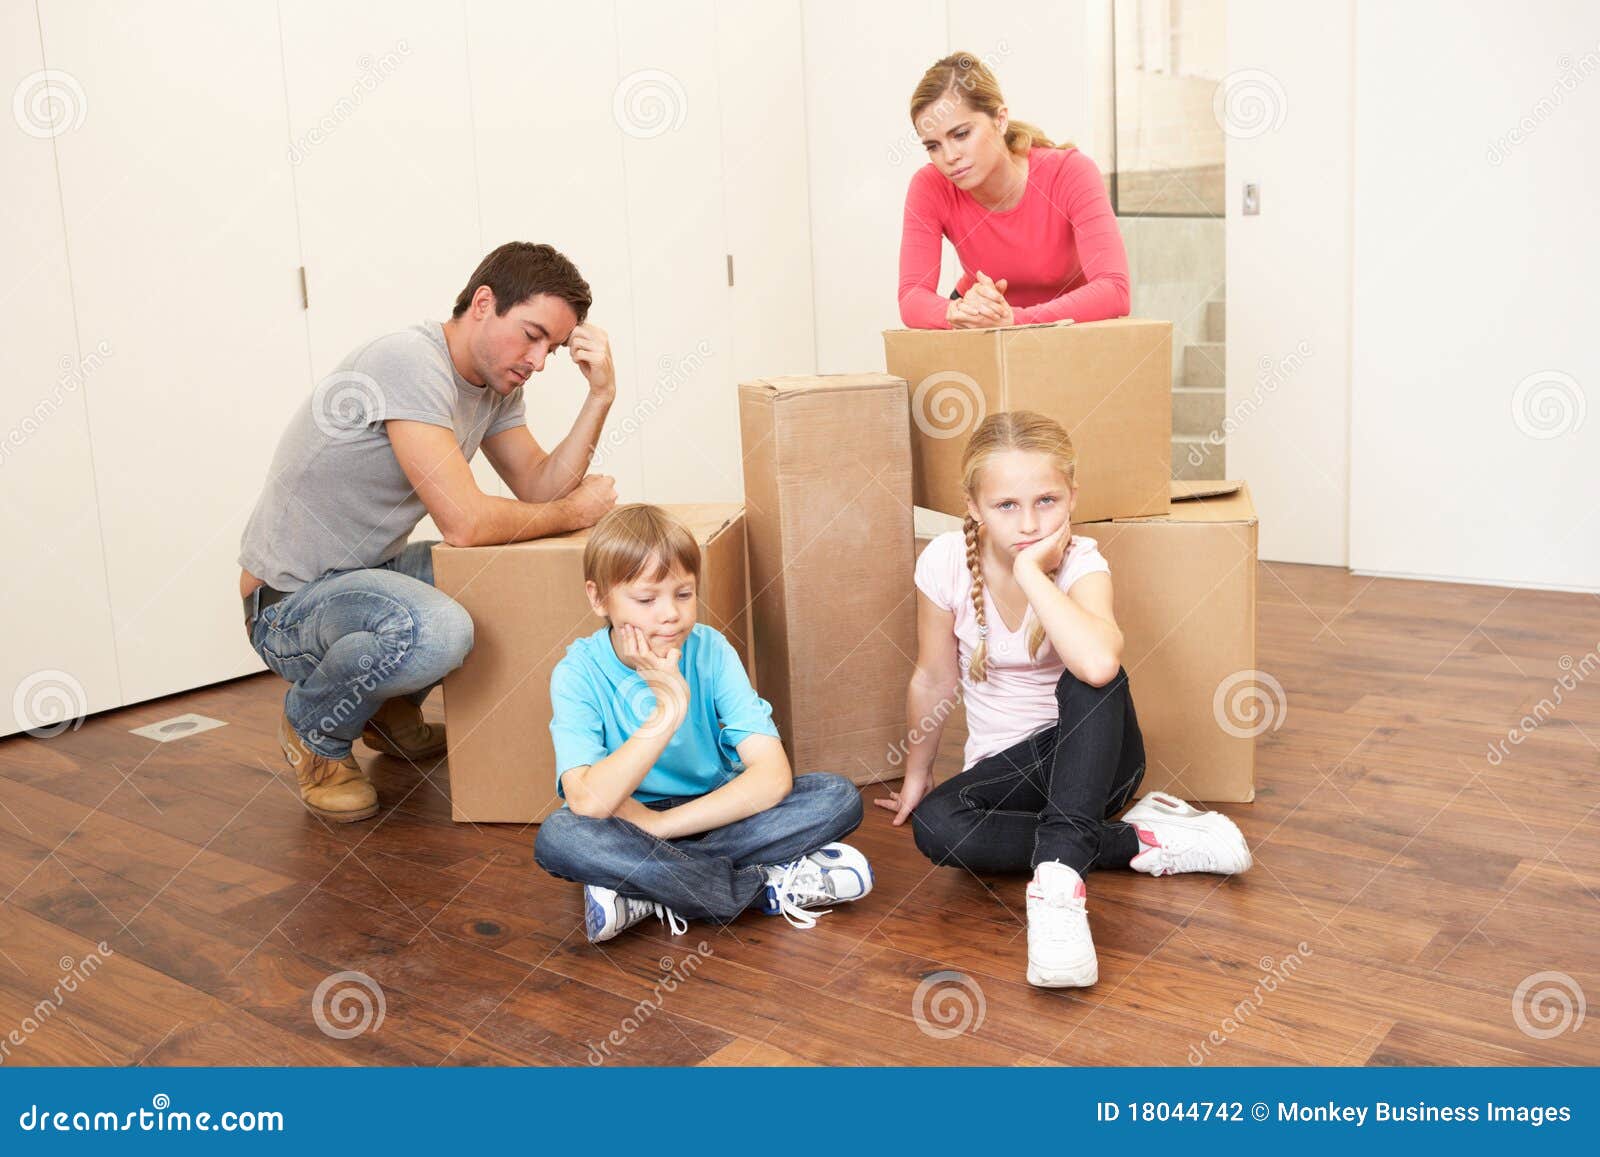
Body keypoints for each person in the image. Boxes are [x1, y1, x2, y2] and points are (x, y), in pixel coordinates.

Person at [238, 242, 619, 822]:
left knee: (507, 577)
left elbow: (540, 489)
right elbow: (466, 524)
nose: (539, 361)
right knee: (437, 630)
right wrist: (577, 512)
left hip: (363, 580)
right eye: (533, 334)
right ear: (485, 303)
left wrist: (601, 395)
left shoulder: (497, 385)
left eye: (555, 348)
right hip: (286, 606)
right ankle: (314, 730)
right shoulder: (408, 363)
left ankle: (385, 709)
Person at [880, 411, 1251, 987]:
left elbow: (1101, 664)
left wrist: (1030, 571)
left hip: (1101, 763)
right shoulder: (944, 561)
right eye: (1006, 506)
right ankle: (1145, 840)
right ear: (973, 507)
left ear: (1073, 496)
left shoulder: (1082, 561)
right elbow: (932, 678)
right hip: (1011, 779)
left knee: (1090, 673)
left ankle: (1056, 889)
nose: (1029, 522)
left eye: (1047, 500)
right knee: (939, 827)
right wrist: (916, 775)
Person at [533, 504, 872, 942]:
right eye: (645, 599)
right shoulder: (577, 672)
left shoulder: (712, 650)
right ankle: (760, 888)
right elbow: (590, 802)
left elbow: (772, 777)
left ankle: (646, 889)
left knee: (837, 796)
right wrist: (668, 708)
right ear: (598, 598)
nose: (670, 614)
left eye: (683, 594)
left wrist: (659, 829)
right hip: (625, 821)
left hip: (714, 812)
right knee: (561, 836)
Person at [898, 52, 1131, 330]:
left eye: (961, 135)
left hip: (1069, 325)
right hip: (982, 324)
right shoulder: (930, 186)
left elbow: (1115, 289)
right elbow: (911, 297)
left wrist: (1015, 321)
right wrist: (957, 312)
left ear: (1000, 120)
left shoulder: (1070, 172)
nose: (949, 156)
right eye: (932, 146)